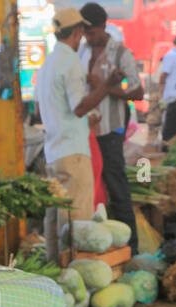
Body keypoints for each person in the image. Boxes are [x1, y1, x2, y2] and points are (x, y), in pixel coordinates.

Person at [35, 8, 120, 234]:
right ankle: (73, 266)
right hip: (72, 153)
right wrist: (107, 85)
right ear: (78, 31)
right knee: (78, 221)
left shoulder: (47, 63)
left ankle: (54, 264)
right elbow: (80, 107)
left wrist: (83, 121)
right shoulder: (70, 61)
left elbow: (41, 109)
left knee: (56, 219)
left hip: (54, 151)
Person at [80, 3, 143, 254]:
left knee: (117, 187)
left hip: (111, 129)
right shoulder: (82, 51)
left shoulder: (121, 54)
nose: (88, 38)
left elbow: (138, 92)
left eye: (92, 32)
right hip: (86, 131)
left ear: (103, 27)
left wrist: (106, 87)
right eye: (85, 32)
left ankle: (132, 249)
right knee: (93, 190)